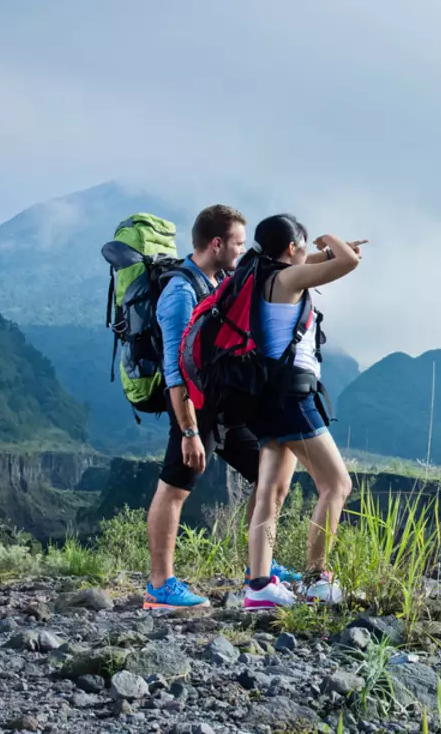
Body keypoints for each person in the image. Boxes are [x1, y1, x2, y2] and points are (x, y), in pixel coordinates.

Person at [143, 204, 304, 609]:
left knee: (271, 475)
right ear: (216, 244)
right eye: (236, 242)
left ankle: (260, 568)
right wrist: (189, 432)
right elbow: (176, 369)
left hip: (227, 407)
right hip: (196, 411)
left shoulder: (224, 280)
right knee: (175, 488)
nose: (241, 249)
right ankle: (159, 587)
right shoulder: (180, 292)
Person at [240, 214, 363, 609]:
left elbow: (319, 262)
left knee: (271, 492)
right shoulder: (287, 280)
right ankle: (316, 578)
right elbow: (348, 263)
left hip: (265, 396)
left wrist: (321, 251)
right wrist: (332, 240)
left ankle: (259, 585)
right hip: (292, 397)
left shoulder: (261, 274)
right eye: (304, 246)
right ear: (292, 247)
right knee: (336, 484)